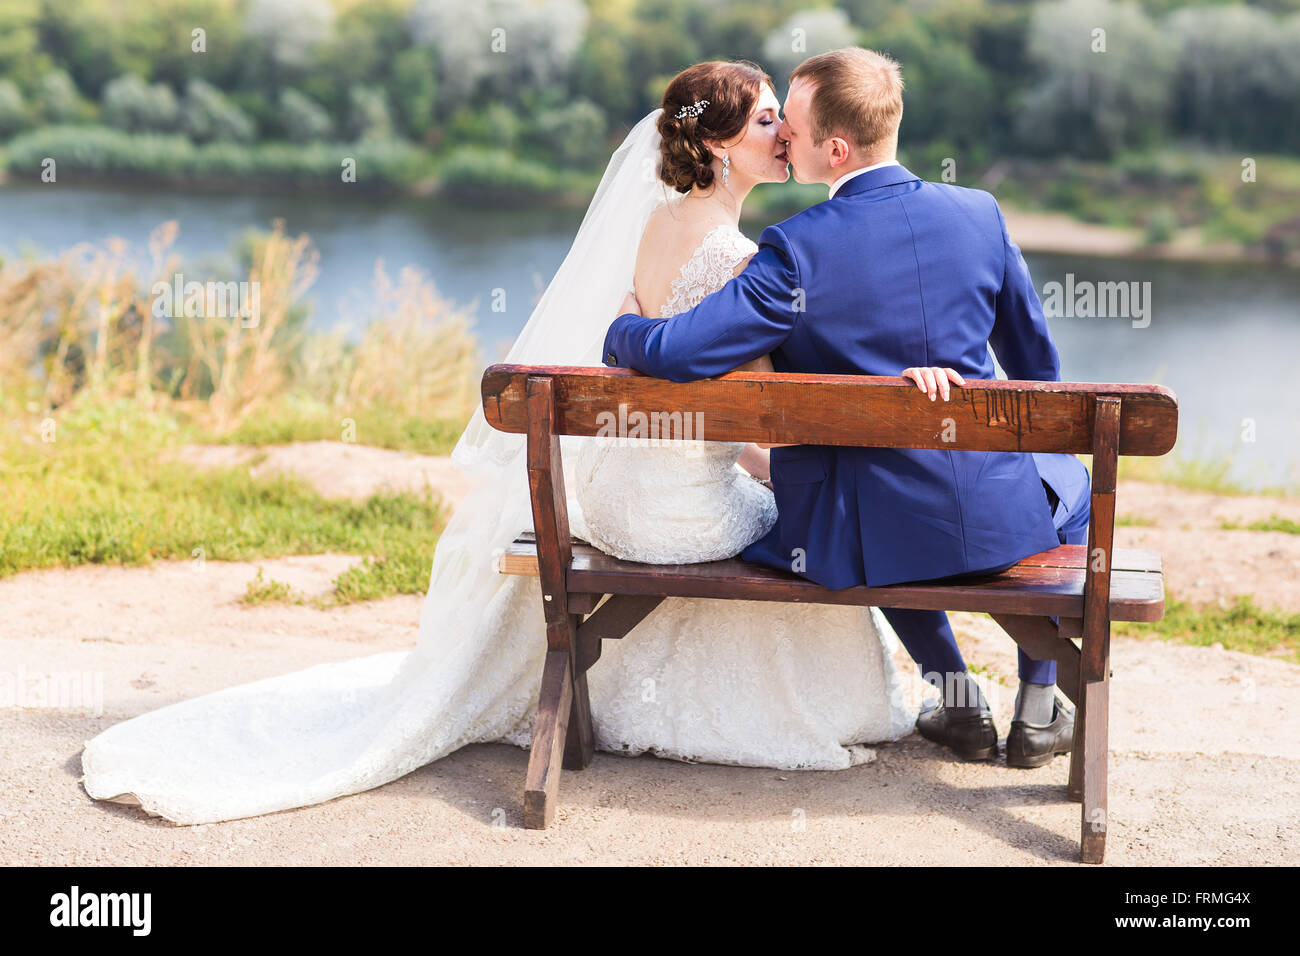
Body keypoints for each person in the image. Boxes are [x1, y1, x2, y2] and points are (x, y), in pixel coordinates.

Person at [80, 60, 918, 827]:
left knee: (767, 496)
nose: (785, 135)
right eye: (767, 121)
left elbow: (684, 408)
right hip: (674, 516)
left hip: (616, 498)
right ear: (713, 142)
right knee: (800, 522)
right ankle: (809, 703)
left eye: (783, 119)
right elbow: (755, 416)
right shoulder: (741, 260)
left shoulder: (653, 226)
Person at [602, 48, 1093, 768]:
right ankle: (1041, 703)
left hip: (856, 531)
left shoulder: (794, 250)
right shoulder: (979, 215)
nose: (781, 139)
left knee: (871, 499)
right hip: (994, 517)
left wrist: (620, 328)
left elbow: (679, 352)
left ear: (833, 149)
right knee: (1069, 486)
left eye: (789, 126)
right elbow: (1040, 377)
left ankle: (956, 700)